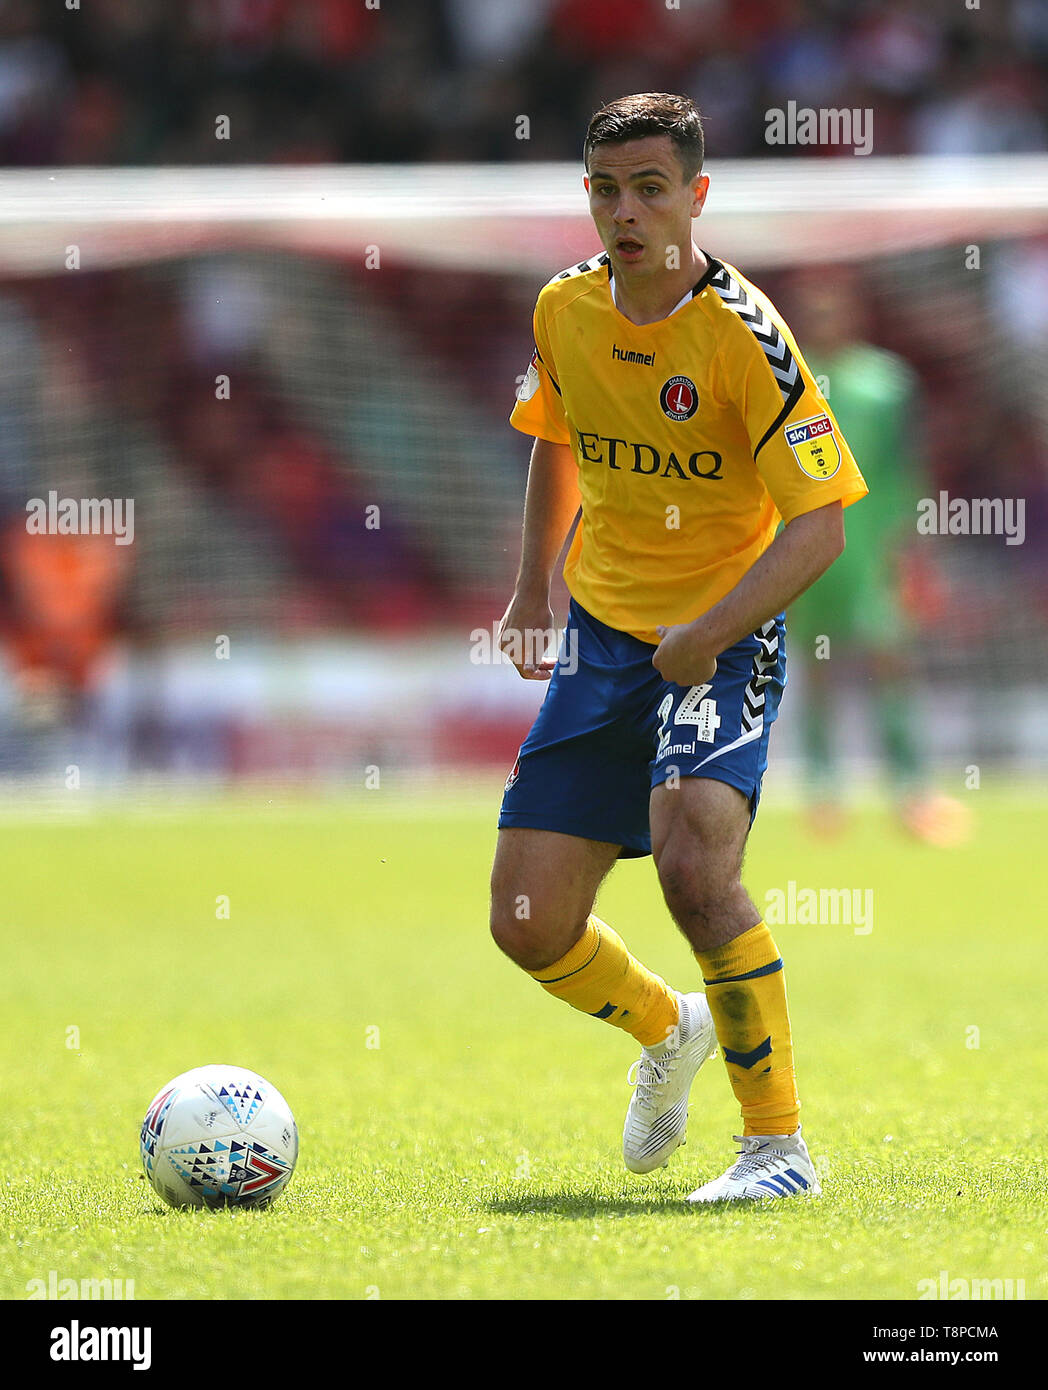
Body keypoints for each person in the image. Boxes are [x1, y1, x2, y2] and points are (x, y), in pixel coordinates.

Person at [489, 92, 868, 1203]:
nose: (625, 211)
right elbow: (552, 441)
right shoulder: (563, 309)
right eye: (605, 189)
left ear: (696, 196)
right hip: (606, 636)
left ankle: (777, 1149)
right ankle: (671, 1028)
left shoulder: (747, 333)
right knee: (527, 922)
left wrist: (709, 631)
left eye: (650, 188)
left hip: (723, 631)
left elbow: (821, 523)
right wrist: (527, 589)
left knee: (699, 868)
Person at [783, 271, 971, 846]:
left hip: (873, 547)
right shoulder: (791, 380)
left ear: (854, 312)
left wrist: (912, 545)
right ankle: (822, 794)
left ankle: (912, 792)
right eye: (813, 311)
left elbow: (905, 469)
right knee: (815, 670)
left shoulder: (886, 383)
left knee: (891, 661)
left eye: (832, 308)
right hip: (805, 545)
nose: (824, 319)